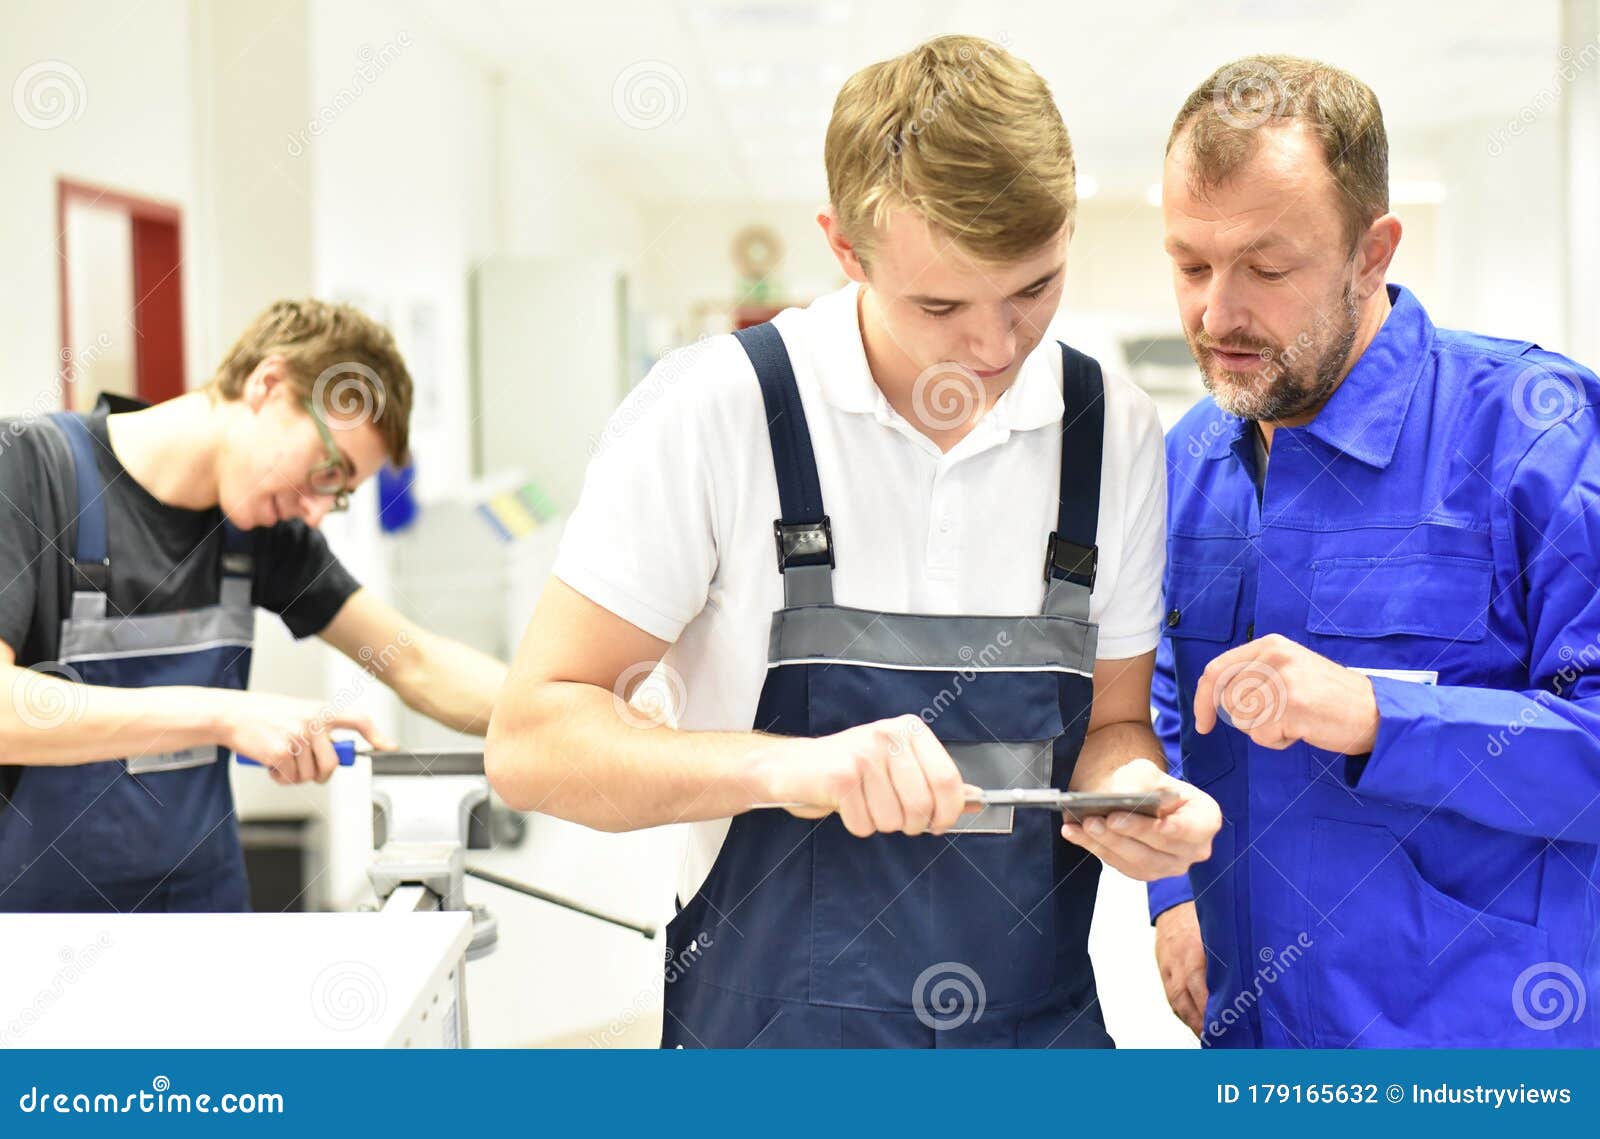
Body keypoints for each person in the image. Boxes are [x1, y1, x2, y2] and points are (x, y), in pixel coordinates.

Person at [487, 35, 1220, 1049]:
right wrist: (788, 768)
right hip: (769, 1041)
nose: (996, 348)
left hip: (1032, 1037)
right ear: (844, 248)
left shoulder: (1115, 429)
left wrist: (1132, 791)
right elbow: (531, 742)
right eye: (940, 304)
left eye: (1032, 290)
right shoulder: (721, 410)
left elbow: (1113, 722)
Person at [1147, 54, 1600, 1047]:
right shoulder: (1186, 464)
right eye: (1189, 265)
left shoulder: (1534, 431)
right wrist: (1172, 890)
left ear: (1371, 251)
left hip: (1482, 1049)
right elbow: (1166, 700)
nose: (1216, 315)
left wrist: (1375, 713)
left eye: (1266, 269)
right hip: (1253, 1042)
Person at [0, 299, 507, 913]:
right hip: (34, 942)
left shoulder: (263, 532)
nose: (319, 511)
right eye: (327, 471)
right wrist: (224, 714)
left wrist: (576, 710)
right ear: (269, 385)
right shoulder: (29, 470)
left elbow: (416, 663)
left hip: (206, 916)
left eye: (340, 495)